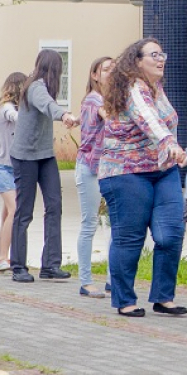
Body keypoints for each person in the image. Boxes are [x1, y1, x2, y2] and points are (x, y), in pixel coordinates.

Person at [98, 38, 187, 318]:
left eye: (163, 53)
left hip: (162, 170)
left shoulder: (156, 88)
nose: (161, 59)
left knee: (171, 232)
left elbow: (165, 119)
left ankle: (163, 297)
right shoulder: (132, 87)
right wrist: (170, 144)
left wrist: (170, 150)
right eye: (153, 55)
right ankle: (124, 300)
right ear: (137, 62)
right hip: (126, 172)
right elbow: (149, 120)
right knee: (129, 237)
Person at [10, 49, 79, 283]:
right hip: (25, 157)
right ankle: (18, 266)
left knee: (54, 206)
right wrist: (65, 115)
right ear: (54, 70)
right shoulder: (36, 87)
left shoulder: (43, 88)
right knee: (24, 211)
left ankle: (50, 264)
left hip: (45, 155)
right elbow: (47, 105)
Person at [75, 57, 112, 298]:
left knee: (115, 225)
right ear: (95, 75)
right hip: (89, 168)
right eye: (107, 69)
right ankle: (86, 281)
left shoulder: (109, 99)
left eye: (115, 69)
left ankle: (112, 280)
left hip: (109, 169)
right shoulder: (94, 99)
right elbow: (107, 116)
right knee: (89, 224)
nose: (112, 73)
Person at [0, 72, 25, 272]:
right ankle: (4, 257)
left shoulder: (5, 109)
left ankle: (2, 253)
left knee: (7, 211)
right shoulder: (7, 108)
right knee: (14, 209)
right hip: (1, 166)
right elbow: (16, 118)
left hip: (13, 166)